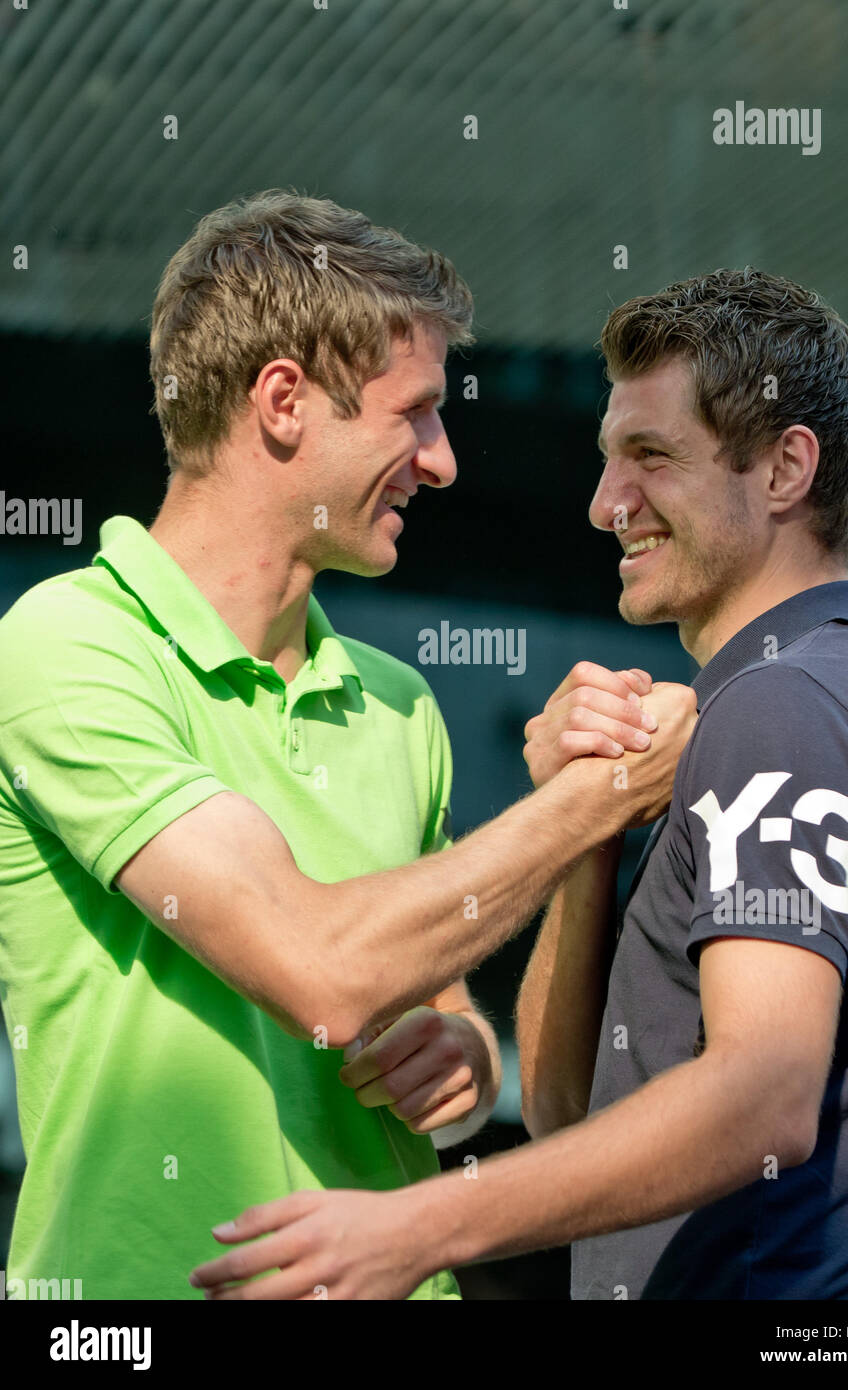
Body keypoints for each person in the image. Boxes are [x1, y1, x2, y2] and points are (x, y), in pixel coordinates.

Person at [189, 267, 848, 1302]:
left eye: (649, 456)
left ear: (784, 469)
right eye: (606, 460)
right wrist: (594, 819)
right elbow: (571, 1107)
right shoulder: (840, 693)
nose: (604, 505)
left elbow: (765, 1089)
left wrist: (417, 1226)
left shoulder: (788, 708)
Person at [0, 190, 695, 1300]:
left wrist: (461, 1056)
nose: (445, 460)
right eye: (415, 413)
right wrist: (594, 800)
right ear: (283, 402)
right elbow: (322, 972)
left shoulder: (399, 702)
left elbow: (440, 1004)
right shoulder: (65, 647)